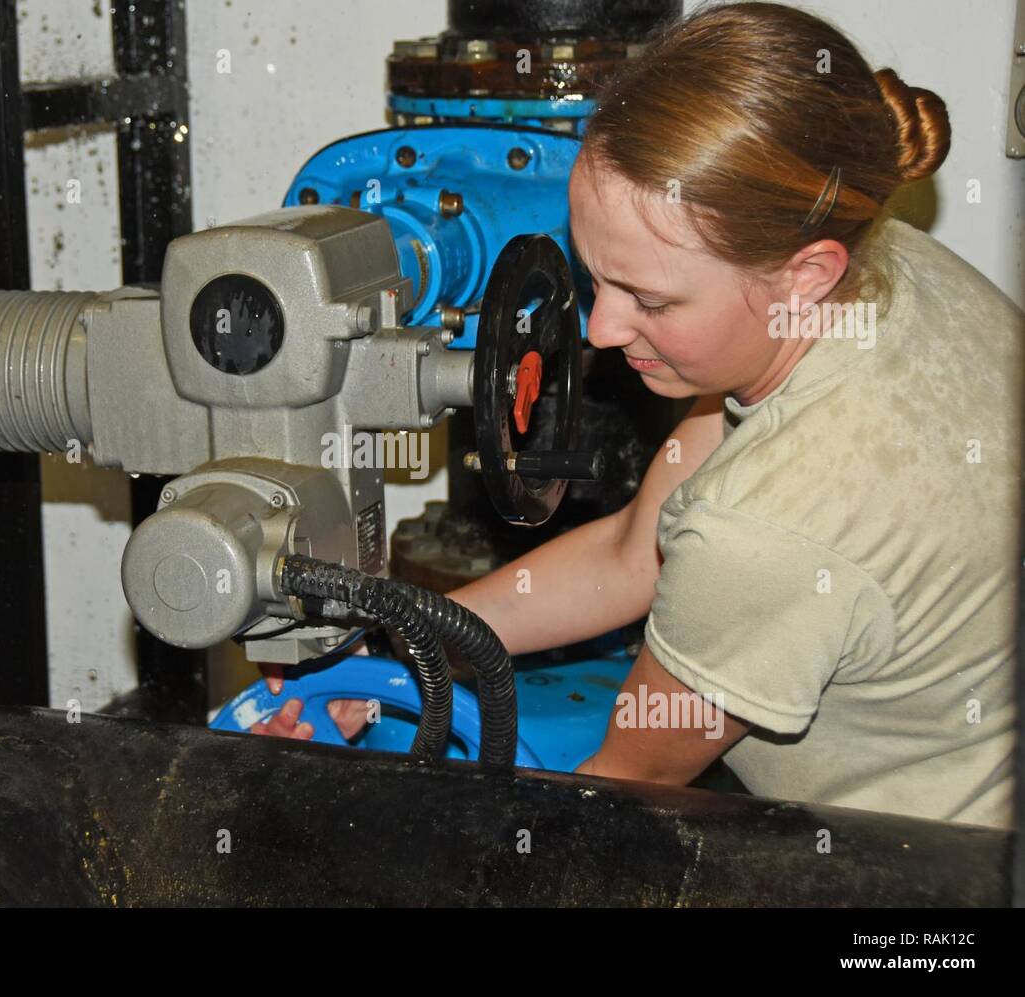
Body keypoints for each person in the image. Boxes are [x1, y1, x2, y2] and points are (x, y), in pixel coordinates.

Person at [252, 1, 1022, 828]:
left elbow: (615, 791)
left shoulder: (772, 526)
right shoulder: (875, 262)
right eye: (595, 277)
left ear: (806, 272)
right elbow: (633, 552)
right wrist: (393, 658)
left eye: (649, 298)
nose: (602, 330)